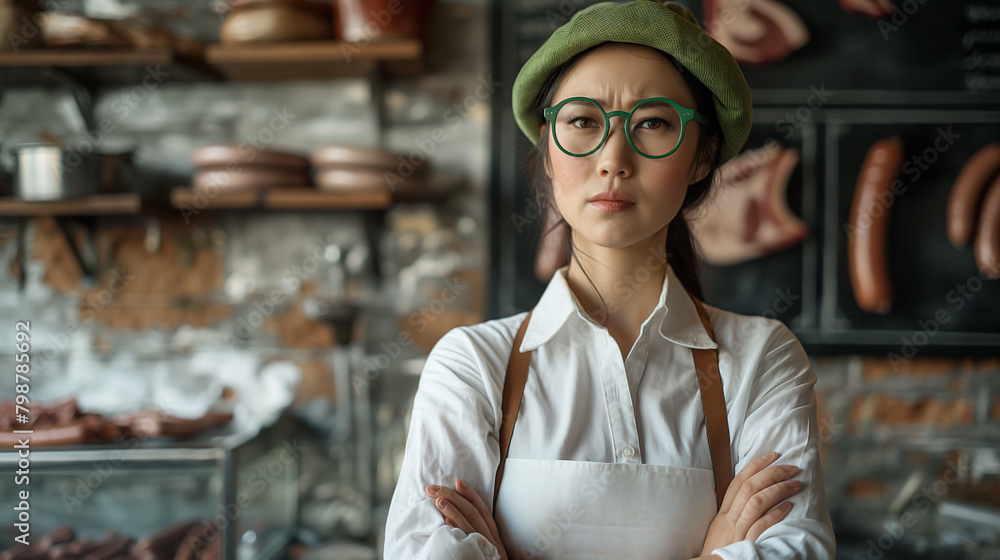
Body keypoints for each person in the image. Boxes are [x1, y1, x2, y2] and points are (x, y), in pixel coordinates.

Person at [382, 1, 836, 559]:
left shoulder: (762, 359)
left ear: (702, 157)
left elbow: (798, 549)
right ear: (548, 150)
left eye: (654, 123)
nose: (614, 159)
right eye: (582, 121)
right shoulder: (473, 365)